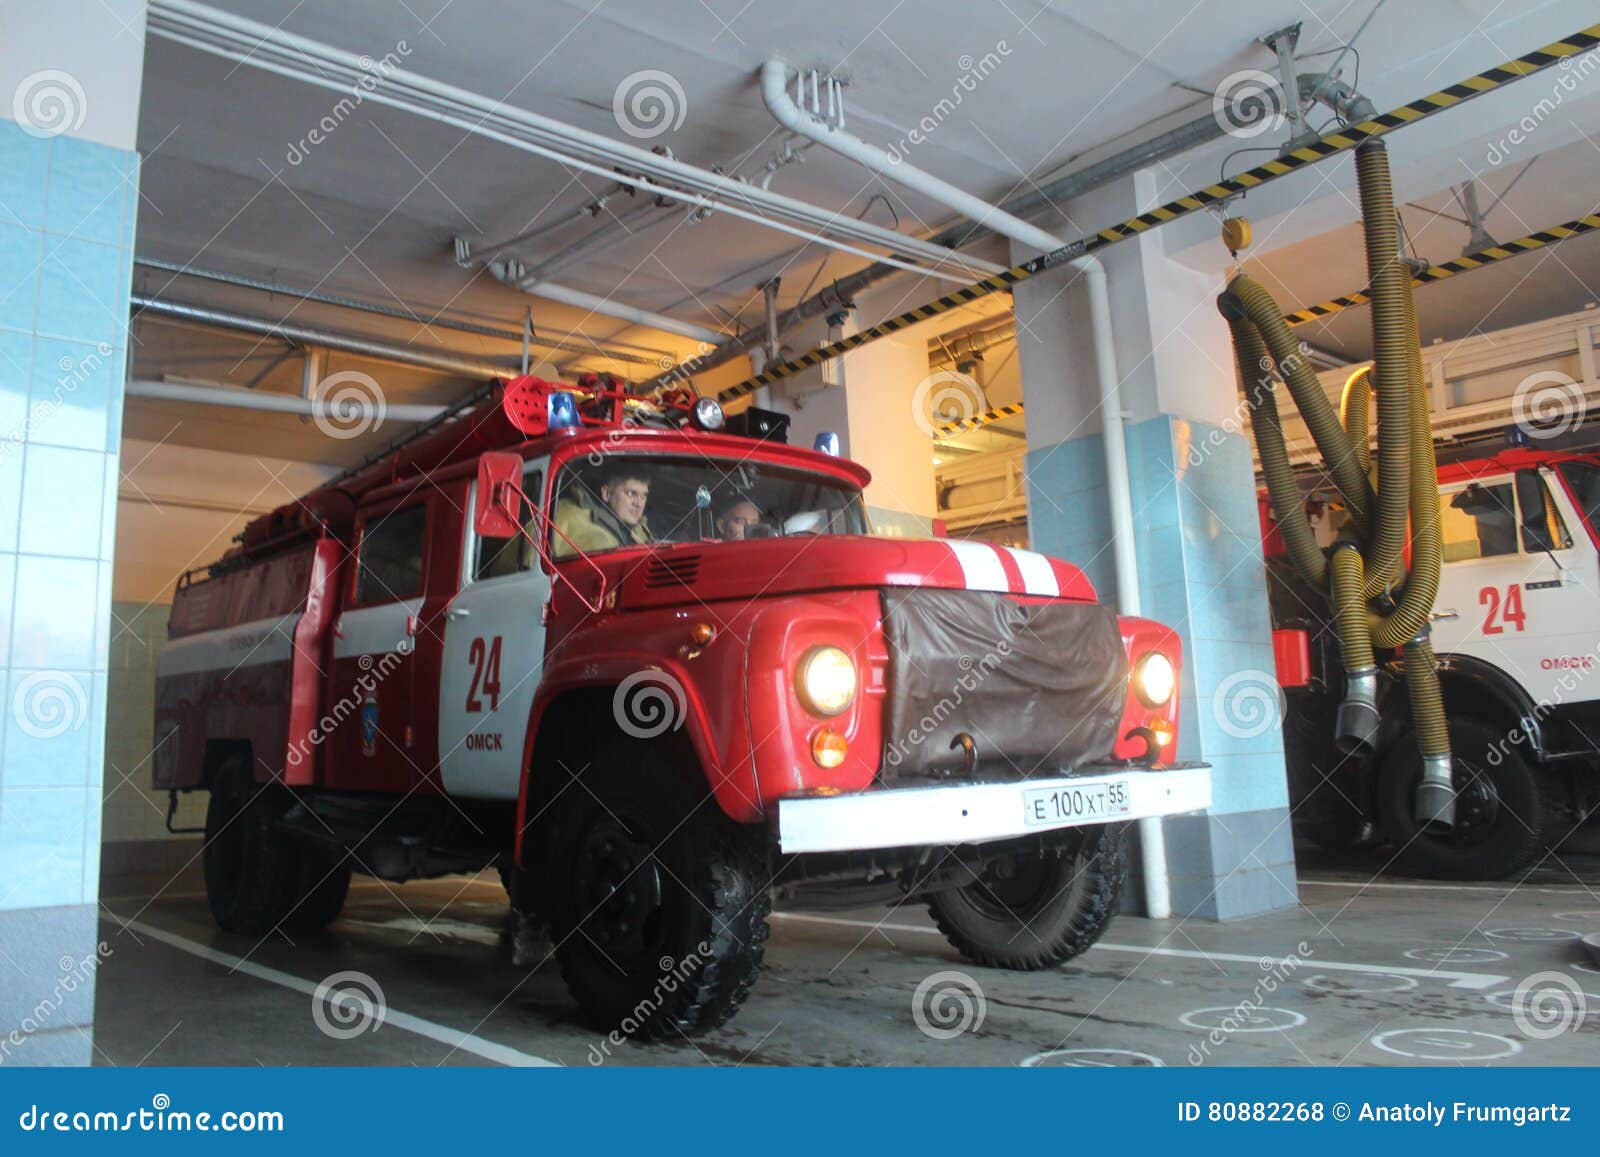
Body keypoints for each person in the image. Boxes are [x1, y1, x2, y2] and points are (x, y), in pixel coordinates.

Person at [552, 469, 652, 557]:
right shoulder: (571, 517)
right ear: (606, 494)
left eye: (643, 496)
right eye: (631, 493)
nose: (639, 503)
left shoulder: (642, 530)